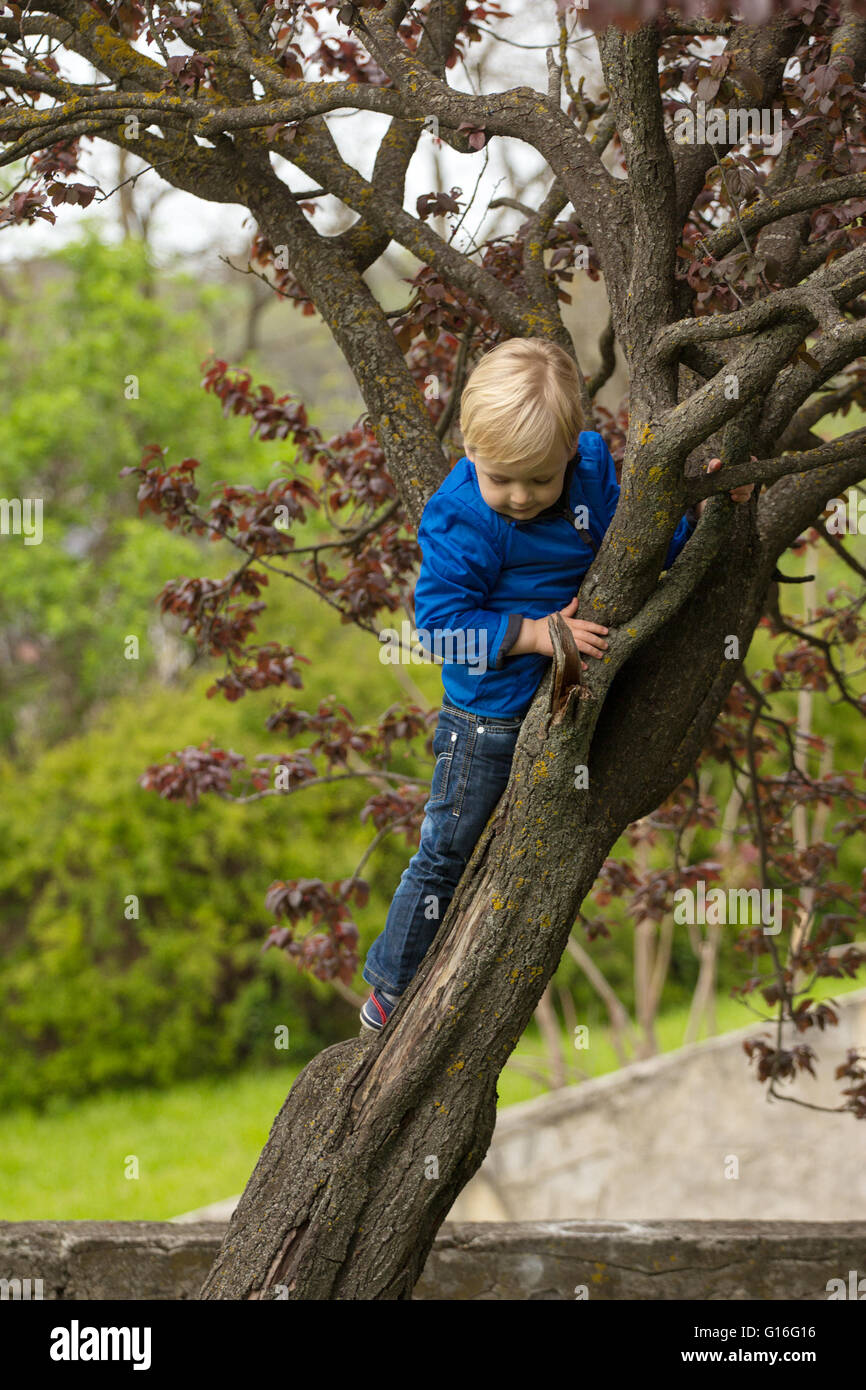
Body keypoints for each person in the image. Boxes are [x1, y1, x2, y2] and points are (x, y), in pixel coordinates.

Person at [359, 337, 754, 1031]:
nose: (518, 498)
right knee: (447, 851)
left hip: (571, 702)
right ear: (470, 451)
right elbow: (440, 625)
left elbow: (635, 543)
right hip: (487, 720)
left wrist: (708, 512)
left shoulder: (590, 471)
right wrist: (535, 634)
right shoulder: (463, 518)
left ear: (573, 448)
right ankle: (390, 988)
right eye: (501, 479)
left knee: (540, 843)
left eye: (537, 482)